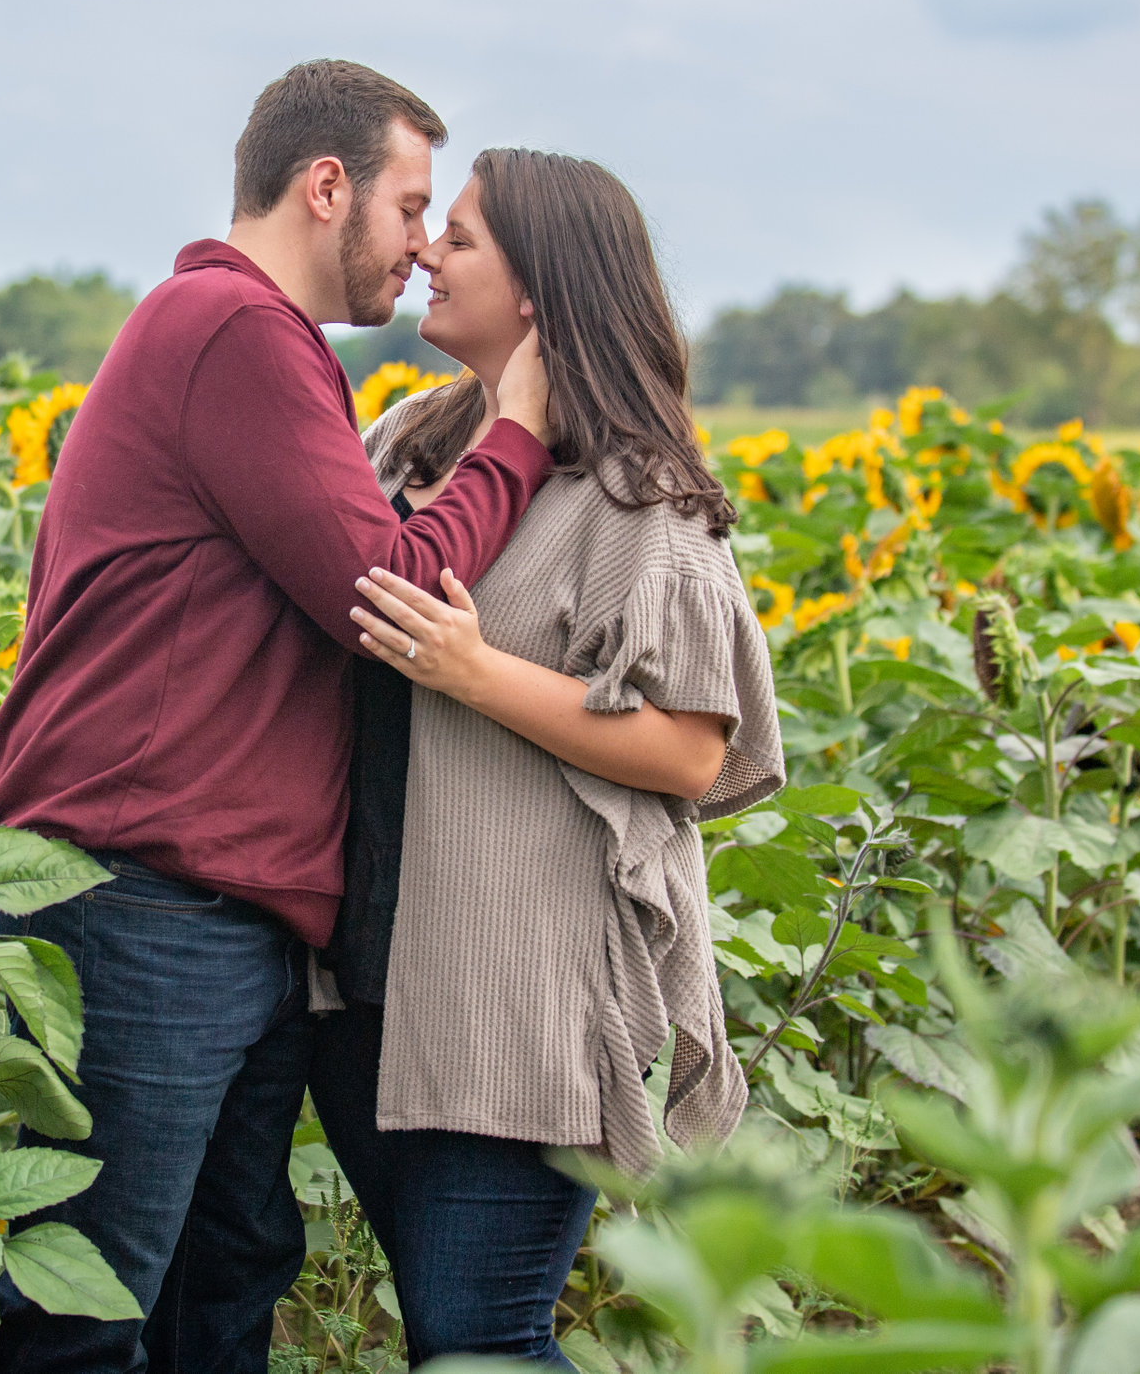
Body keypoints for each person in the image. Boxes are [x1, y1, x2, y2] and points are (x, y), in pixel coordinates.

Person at [0, 61, 558, 1374]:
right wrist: (516, 432)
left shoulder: (254, 341)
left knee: (220, 1287)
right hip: (146, 897)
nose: (420, 245)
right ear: (325, 188)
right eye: (409, 206)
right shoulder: (229, 328)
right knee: (89, 1312)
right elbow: (390, 587)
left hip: (217, 909)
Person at [309, 148, 786, 1366]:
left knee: (481, 1335)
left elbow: (691, 747)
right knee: (452, 1336)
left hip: (525, 987)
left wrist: (475, 672)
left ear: (538, 285)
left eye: (460, 236)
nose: (425, 250)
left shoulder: (637, 495)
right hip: (374, 976)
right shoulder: (410, 442)